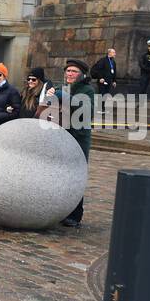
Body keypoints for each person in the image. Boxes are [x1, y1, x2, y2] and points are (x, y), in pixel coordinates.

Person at [59, 58, 94, 228]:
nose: (70, 74)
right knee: (60, 174)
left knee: (75, 175)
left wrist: (66, 98)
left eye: (74, 71)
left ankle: (75, 214)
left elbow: (87, 111)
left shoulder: (87, 90)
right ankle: (60, 210)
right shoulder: (63, 88)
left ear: (81, 74)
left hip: (79, 138)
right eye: (68, 71)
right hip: (62, 135)